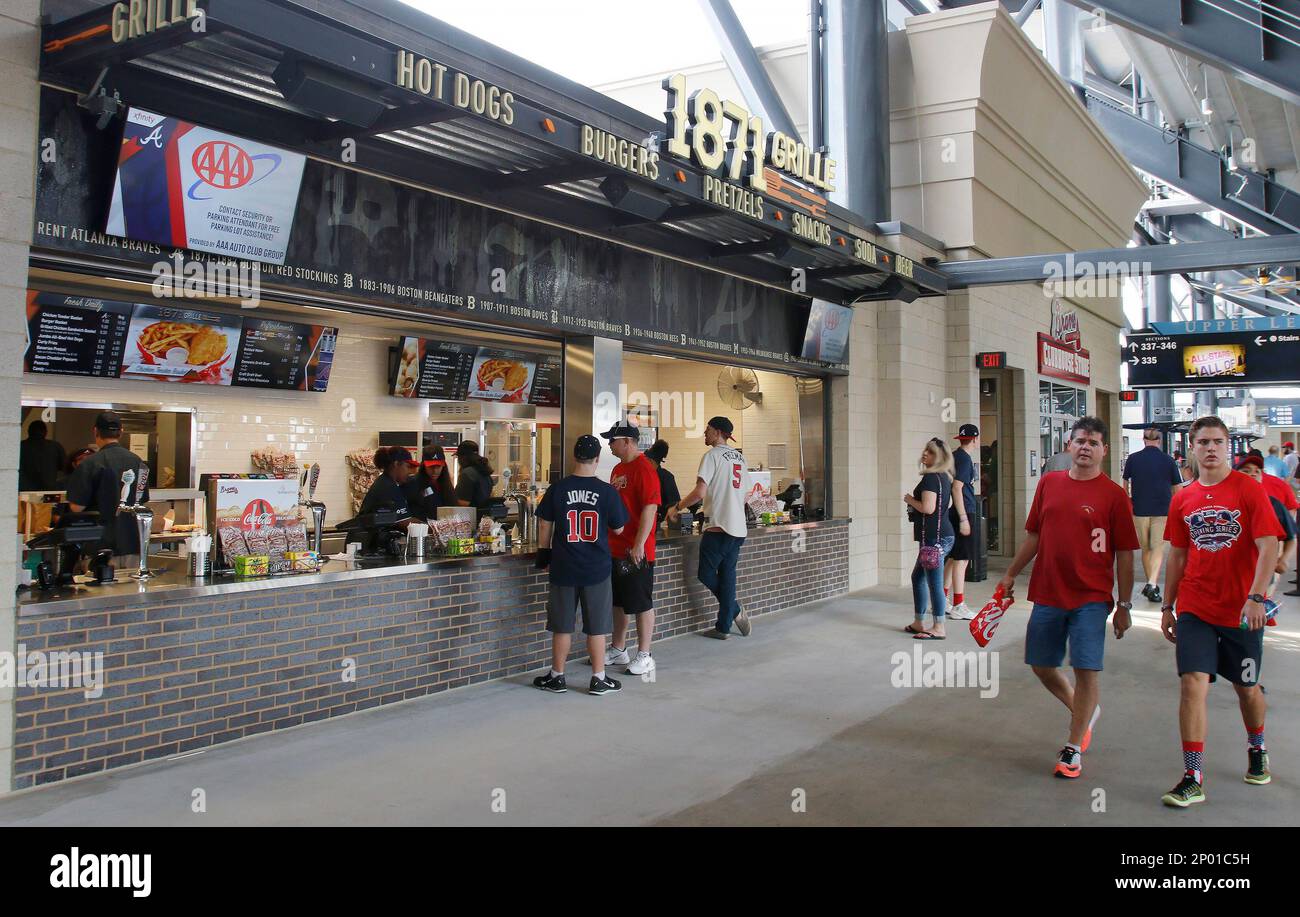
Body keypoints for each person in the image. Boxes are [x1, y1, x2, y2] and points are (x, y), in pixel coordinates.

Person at [997, 417, 1138, 779]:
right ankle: (1084, 709)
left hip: (1091, 596)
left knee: (1085, 667)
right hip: (1048, 591)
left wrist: (1124, 605)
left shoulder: (1114, 495)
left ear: (1104, 449)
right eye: (1079, 441)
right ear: (1068, 446)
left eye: (1093, 442)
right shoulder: (1049, 484)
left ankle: (1073, 748)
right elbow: (1034, 536)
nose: (1085, 447)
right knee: (1042, 665)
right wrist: (1010, 573)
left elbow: (1124, 554)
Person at [1160, 416, 1282, 807]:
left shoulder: (1249, 491)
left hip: (1242, 610)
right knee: (1192, 682)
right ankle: (1192, 775)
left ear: (1227, 446)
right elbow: (1178, 555)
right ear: (1191, 448)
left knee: (1246, 688)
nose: (1210, 449)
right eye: (1203, 442)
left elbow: (1268, 547)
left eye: (1217, 442)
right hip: (1196, 605)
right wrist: (1167, 605)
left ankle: (1256, 745)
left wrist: (1257, 597)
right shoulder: (1183, 497)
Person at [532, 435, 629, 696]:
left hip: (564, 566)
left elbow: (544, 524)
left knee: (562, 625)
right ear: (597, 458)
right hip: (596, 568)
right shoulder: (607, 492)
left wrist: (543, 553)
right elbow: (619, 528)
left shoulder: (558, 489)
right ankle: (598, 678)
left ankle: (557, 676)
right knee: (597, 626)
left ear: (575, 457)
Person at [668, 416, 752, 639]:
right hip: (738, 529)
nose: (705, 433)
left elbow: (699, 492)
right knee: (728, 576)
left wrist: (677, 507)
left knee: (706, 574)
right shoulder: (741, 459)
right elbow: (746, 496)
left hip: (719, 527)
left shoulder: (711, 456)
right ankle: (724, 627)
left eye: (707, 430)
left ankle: (733, 608)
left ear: (717, 432)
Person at [602, 422, 662, 675]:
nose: (609, 445)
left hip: (636, 551)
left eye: (612, 440)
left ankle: (645, 654)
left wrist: (638, 544)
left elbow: (650, 508)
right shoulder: (618, 468)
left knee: (640, 603)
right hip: (615, 548)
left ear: (627, 441)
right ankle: (618, 649)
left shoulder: (644, 468)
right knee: (618, 602)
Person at [64, 412, 149, 565]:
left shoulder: (90, 464)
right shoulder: (138, 462)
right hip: (133, 544)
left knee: (101, 588)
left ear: (95, 431)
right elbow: (142, 501)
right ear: (121, 432)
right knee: (131, 587)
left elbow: (77, 507)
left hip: (99, 547)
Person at [1122, 427, 1183, 604]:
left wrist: (1129, 501)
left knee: (1146, 548)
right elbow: (1178, 489)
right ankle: (1151, 583)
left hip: (1139, 509)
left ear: (1143, 440)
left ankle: (1152, 586)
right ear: (1159, 441)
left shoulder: (1133, 459)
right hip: (1162, 510)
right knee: (1157, 547)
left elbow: (1125, 483)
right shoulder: (1168, 460)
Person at [903, 436, 956, 639]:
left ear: (940, 457)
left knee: (934, 582)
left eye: (931, 452)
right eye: (926, 450)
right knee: (918, 577)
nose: (925, 454)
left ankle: (939, 626)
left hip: (934, 538)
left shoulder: (931, 478)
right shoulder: (943, 477)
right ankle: (919, 621)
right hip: (940, 536)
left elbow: (928, 508)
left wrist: (910, 500)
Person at [1234, 454, 1297, 599]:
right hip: (1232, 573)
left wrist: (1283, 560)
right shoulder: (1224, 503)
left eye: (1257, 471)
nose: (1253, 474)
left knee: (1253, 614)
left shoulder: (1274, 504)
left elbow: (1291, 537)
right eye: (1246, 470)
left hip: (1262, 573)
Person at [944, 424, 979, 621]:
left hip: (956, 512)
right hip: (963, 511)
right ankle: (958, 604)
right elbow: (957, 488)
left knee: (954, 558)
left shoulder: (956, 456)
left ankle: (942, 599)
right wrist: (964, 518)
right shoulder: (964, 459)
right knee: (962, 560)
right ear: (976, 439)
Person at [358, 446, 416, 518]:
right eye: (408, 467)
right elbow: (405, 522)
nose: (409, 472)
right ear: (396, 464)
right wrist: (430, 527)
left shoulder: (386, 482)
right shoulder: (388, 487)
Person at [404, 444, 455, 522]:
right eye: (431, 467)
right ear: (424, 466)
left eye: (438, 466)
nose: (435, 471)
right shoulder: (413, 483)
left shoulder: (446, 484)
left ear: (443, 466)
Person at [19, 419, 67, 492]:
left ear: (28, 431)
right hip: (49, 489)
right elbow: (65, 467)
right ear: (45, 432)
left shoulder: (20, 446)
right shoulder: (55, 446)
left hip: (25, 489)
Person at [453, 440, 495, 518]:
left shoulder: (467, 473)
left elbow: (463, 503)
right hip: (484, 518)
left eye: (458, 457)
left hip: (470, 519)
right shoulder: (484, 471)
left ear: (463, 457)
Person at [646, 439, 681, 528]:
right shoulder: (645, 476)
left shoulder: (666, 477)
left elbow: (674, 504)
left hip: (660, 524)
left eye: (646, 459)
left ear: (651, 461)